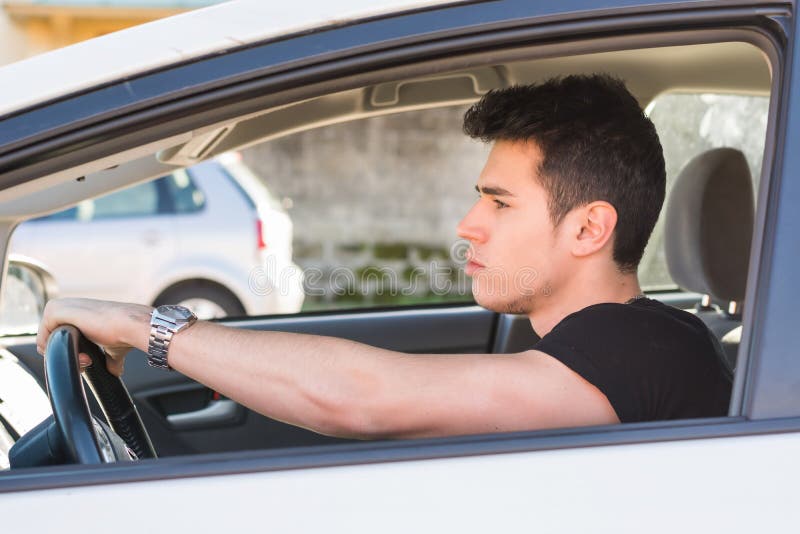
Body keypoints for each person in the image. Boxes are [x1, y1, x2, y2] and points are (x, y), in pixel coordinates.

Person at [36, 74, 731, 439]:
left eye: (499, 202)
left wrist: (143, 326)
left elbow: (366, 400)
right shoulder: (625, 343)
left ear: (588, 230)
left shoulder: (645, 351)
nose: (468, 224)